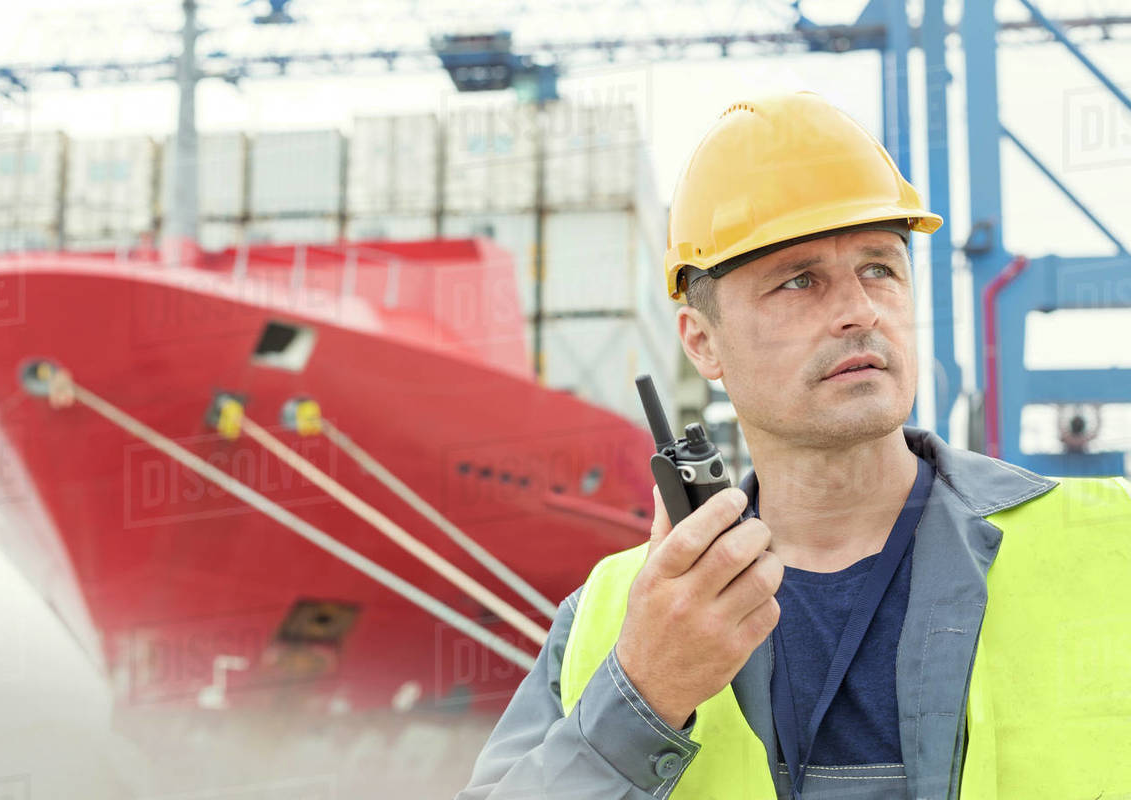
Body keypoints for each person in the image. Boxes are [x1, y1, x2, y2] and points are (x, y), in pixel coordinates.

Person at [456, 91, 1131, 800]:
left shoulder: (1111, 542)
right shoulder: (613, 617)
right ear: (702, 341)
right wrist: (643, 694)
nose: (860, 311)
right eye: (800, 281)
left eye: (880, 267)